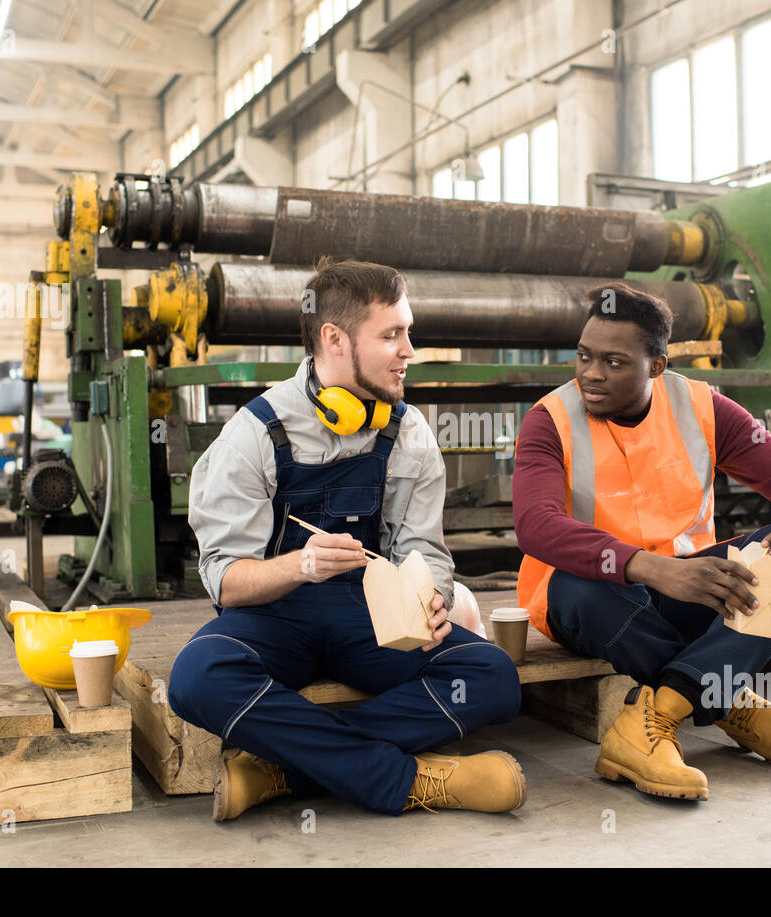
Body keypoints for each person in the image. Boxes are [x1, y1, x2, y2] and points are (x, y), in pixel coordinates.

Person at [169, 257, 524, 820]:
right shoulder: (254, 433)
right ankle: (412, 779)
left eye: (408, 332)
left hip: (373, 620)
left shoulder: (405, 429)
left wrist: (429, 595)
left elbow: (422, 548)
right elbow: (227, 583)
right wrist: (299, 567)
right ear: (334, 339)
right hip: (274, 619)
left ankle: (284, 767)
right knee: (197, 677)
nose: (409, 350)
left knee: (493, 677)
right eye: (392, 335)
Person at [513, 282, 771, 802]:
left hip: (693, 590)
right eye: (583, 356)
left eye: (614, 362)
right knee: (586, 591)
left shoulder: (704, 407)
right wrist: (649, 567)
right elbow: (535, 525)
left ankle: (655, 718)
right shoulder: (548, 421)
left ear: (656, 366)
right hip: (595, 597)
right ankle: (727, 701)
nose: (590, 374)